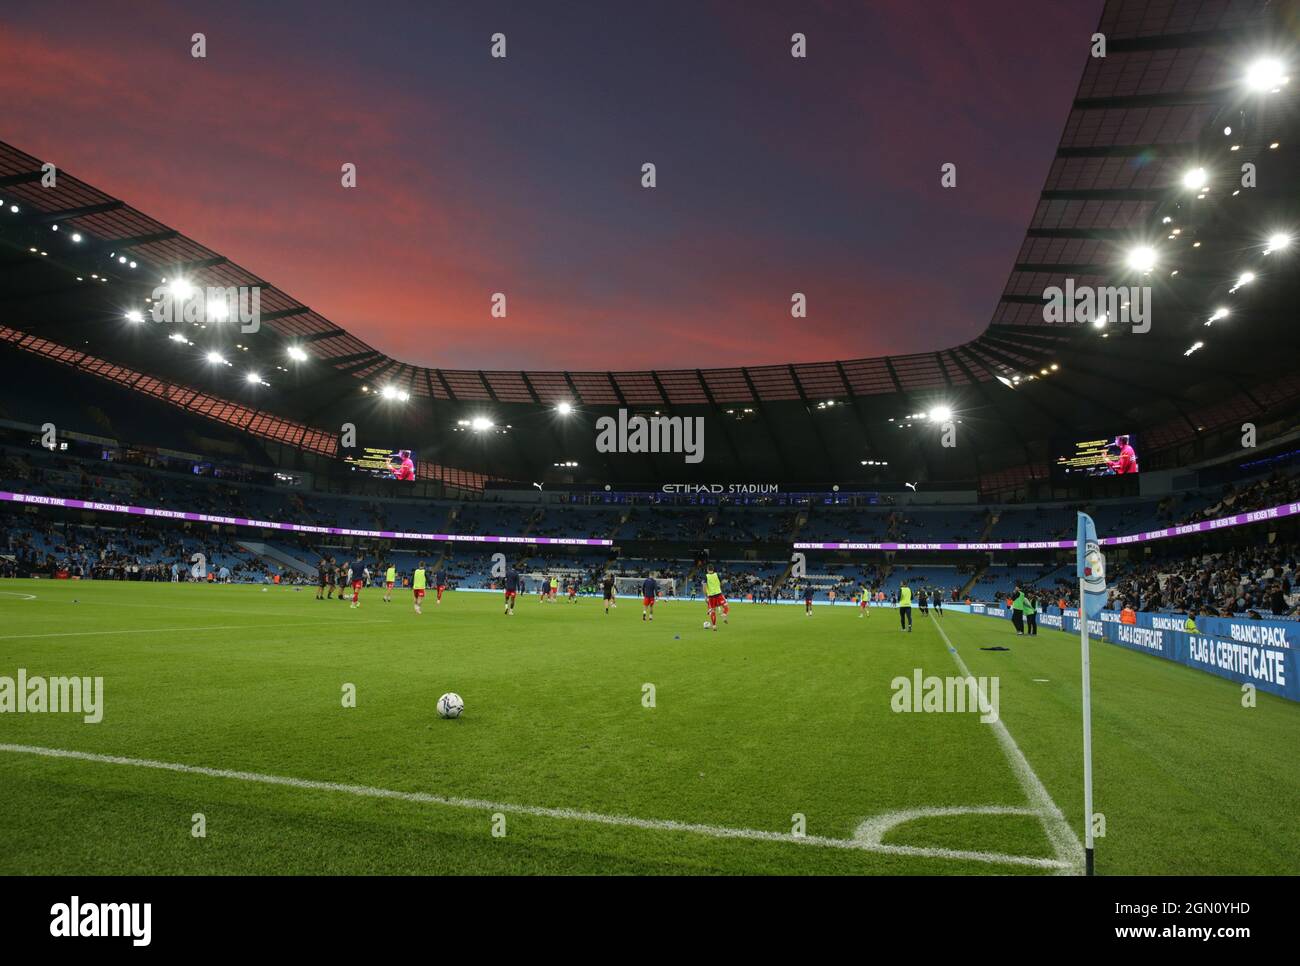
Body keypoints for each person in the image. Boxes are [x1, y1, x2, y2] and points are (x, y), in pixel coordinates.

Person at [704, 564, 728, 630]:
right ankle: (724, 614)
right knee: (726, 606)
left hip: (711, 596)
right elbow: (722, 582)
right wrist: (718, 586)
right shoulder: (717, 575)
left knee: (713, 611)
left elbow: (704, 587)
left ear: (707, 569)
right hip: (719, 594)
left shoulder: (706, 576)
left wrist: (705, 596)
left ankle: (714, 626)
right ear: (713, 569)